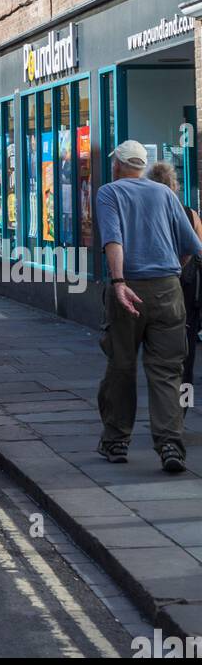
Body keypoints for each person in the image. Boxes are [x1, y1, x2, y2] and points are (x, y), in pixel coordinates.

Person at [94, 141, 201, 474]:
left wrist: (119, 282)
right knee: (167, 371)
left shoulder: (109, 193)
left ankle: (116, 442)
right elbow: (192, 247)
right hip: (168, 289)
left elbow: (113, 239)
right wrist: (171, 273)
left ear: (117, 165)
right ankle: (170, 444)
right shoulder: (165, 194)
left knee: (122, 365)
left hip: (129, 287)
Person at [147, 161, 202, 386]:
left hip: (158, 285)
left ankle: (165, 385)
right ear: (174, 185)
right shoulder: (190, 214)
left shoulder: (148, 215)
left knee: (159, 339)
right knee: (185, 339)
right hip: (186, 287)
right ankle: (182, 395)